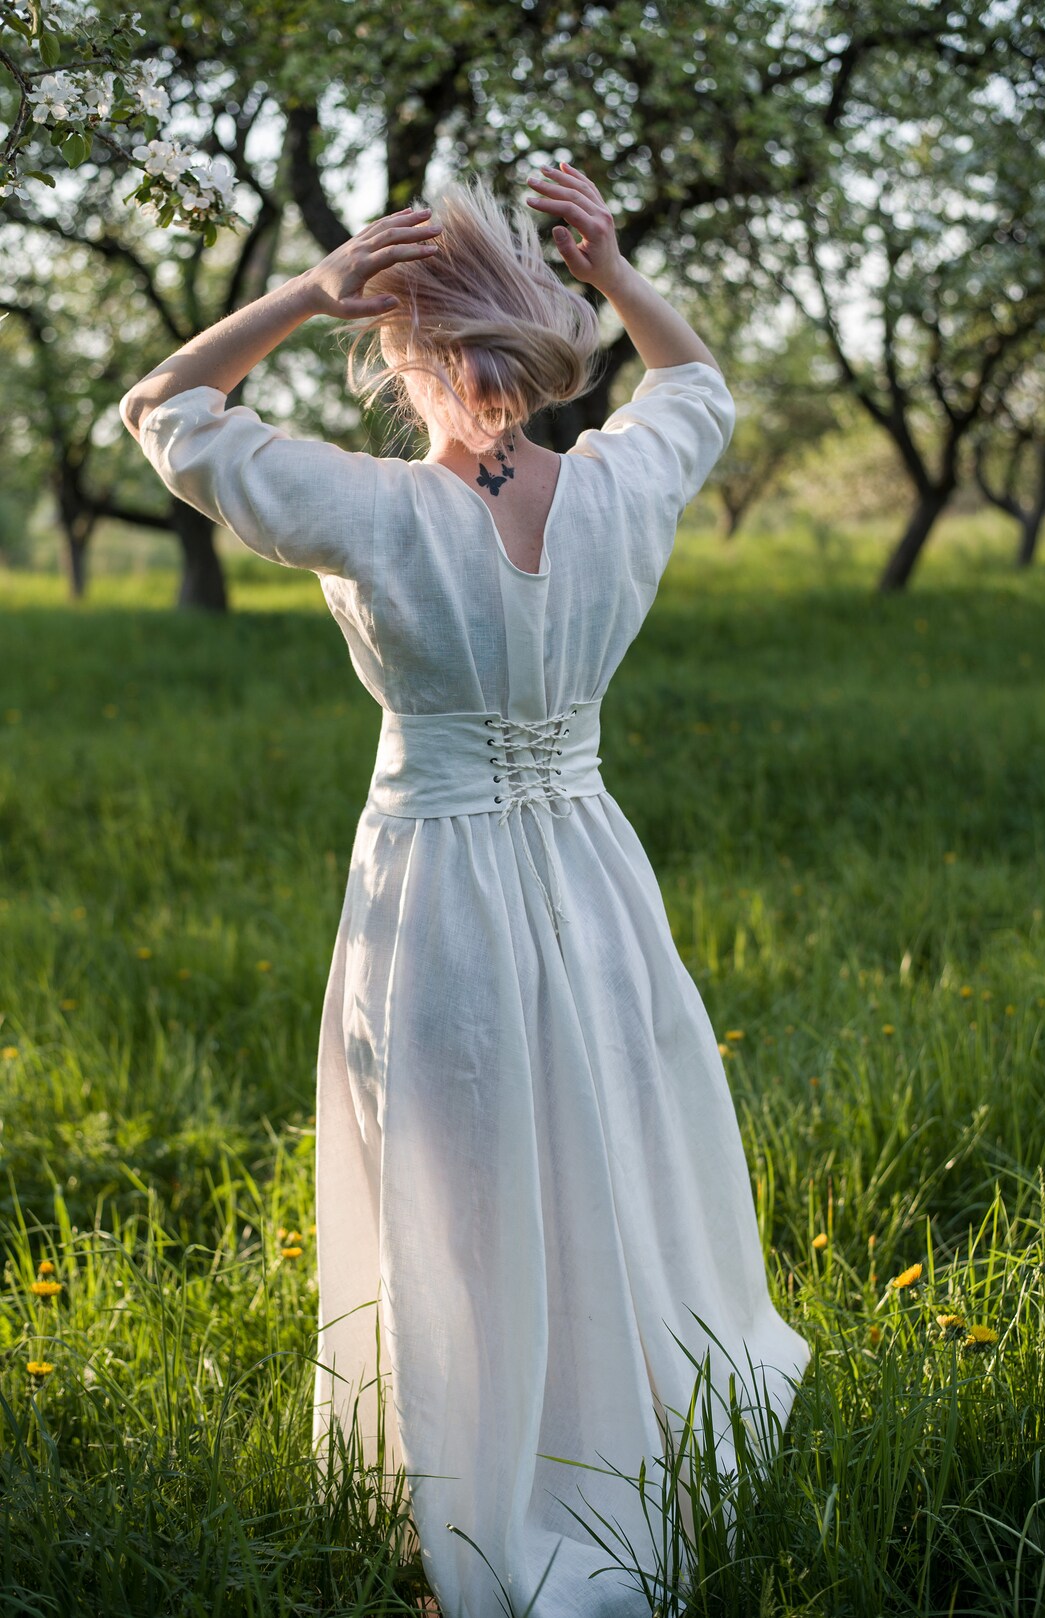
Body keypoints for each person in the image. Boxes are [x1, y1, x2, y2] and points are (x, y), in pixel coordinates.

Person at [119, 161, 812, 1618]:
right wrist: (614, 267)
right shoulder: (623, 486)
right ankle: (619, 1457)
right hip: (590, 871)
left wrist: (306, 292)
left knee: (460, 1182)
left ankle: (479, 1491)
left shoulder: (369, 510)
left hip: (435, 891)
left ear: (401, 351)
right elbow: (702, 386)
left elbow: (167, 409)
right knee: (601, 1154)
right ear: (539, 351)